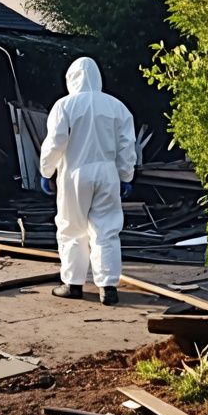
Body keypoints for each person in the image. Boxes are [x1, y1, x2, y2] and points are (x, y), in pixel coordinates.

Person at [39, 57, 136, 306]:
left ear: (71, 78)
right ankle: (108, 288)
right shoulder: (117, 107)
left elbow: (55, 142)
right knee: (107, 231)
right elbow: (127, 145)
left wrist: (46, 170)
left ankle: (73, 284)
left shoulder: (65, 105)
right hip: (107, 173)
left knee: (72, 229)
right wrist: (126, 175)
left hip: (74, 173)